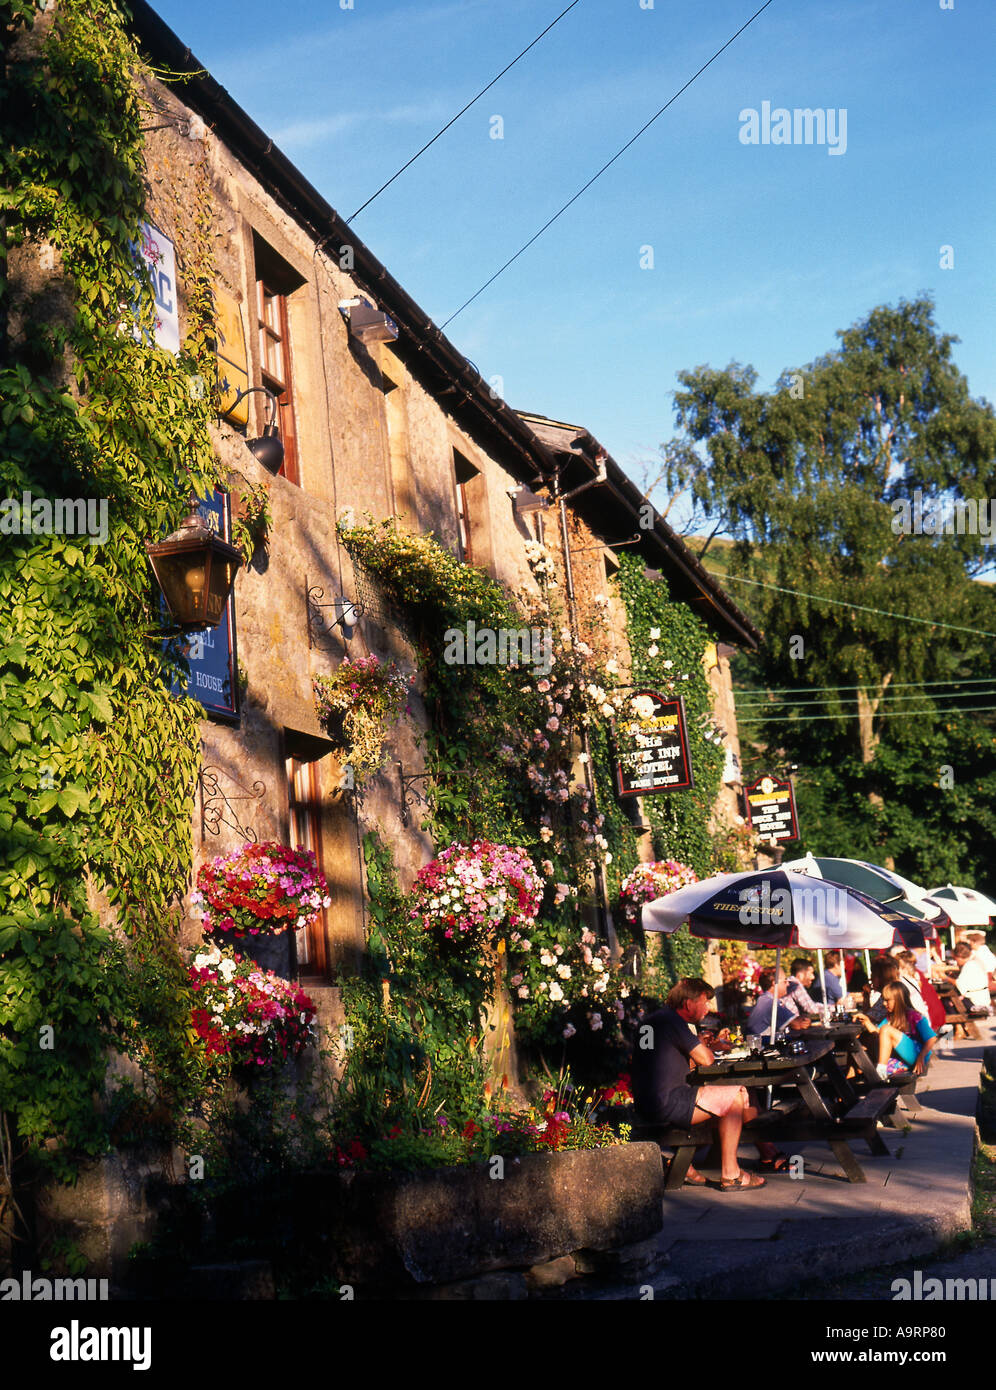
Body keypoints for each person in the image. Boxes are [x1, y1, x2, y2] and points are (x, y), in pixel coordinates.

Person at [630, 978, 785, 1190]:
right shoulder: (673, 1021)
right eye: (705, 1002)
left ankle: (765, 1152)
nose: (708, 1008)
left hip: (647, 1102)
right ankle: (732, 1174)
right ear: (688, 1004)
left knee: (740, 1100)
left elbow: (663, 1059)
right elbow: (707, 1060)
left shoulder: (653, 1020)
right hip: (668, 1102)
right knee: (737, 1096)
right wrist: (705, 1047)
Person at [855, 981, 937, 1077]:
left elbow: (931, 1038)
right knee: (862, 1042)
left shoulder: (914, 1016)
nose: (884, 1004)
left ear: (898, 1000)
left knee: (886, 1029)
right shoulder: (890, 1017)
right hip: (902, 1055)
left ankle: (881, 1071)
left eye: (887, 1000)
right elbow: (879, 1034)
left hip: (918, 1054)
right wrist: (867, 1022)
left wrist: (921, 1057)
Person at [747, 969, 812, 1037]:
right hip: (761, 1046)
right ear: (774, 983)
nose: (788, 984)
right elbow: (798, 1025)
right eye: (785, 981)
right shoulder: (770, 1003)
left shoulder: (765, 999)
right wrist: (806, 1020)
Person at [951, 942, 991, 1012]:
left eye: (955, 959)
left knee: (948, 1002)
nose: (956, 962)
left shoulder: (969, 965)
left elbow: (959, 984)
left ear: (959, 957)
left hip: (976, 1003)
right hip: (983, 1000)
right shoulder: (974, 962)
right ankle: (959, 1023)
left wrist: (944, 977)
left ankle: (959, 1023)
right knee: (953, 1001)